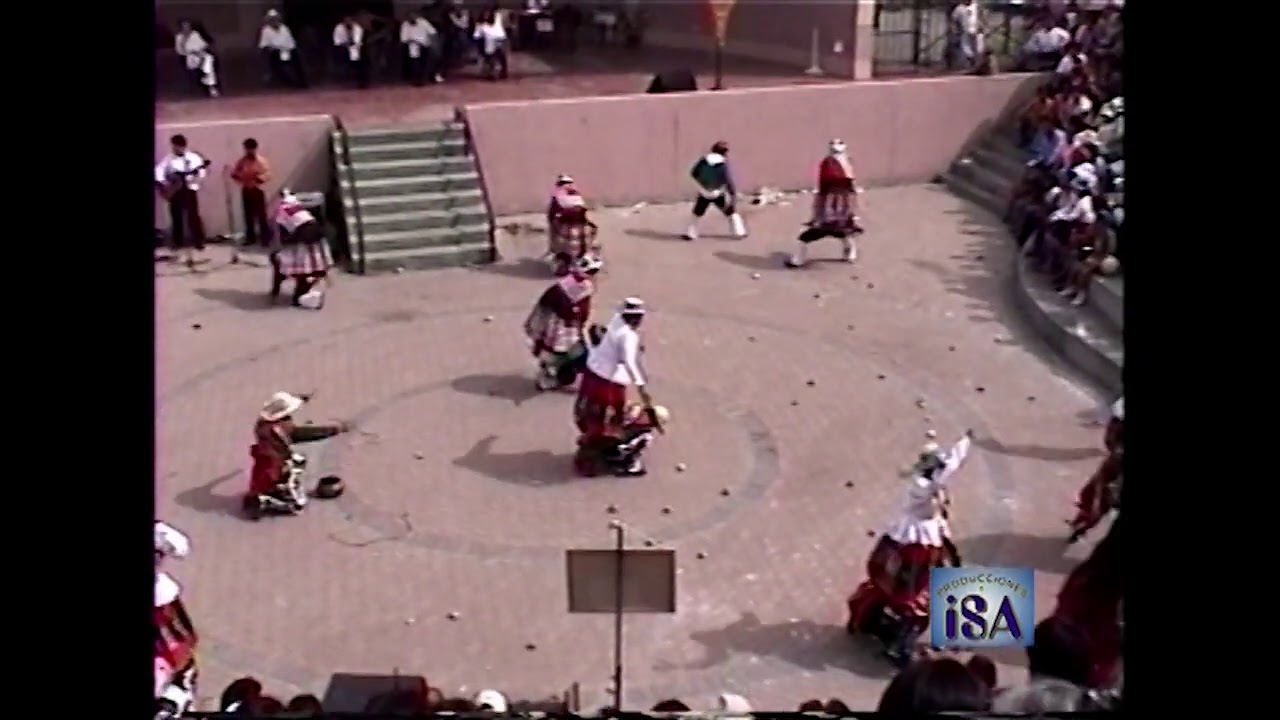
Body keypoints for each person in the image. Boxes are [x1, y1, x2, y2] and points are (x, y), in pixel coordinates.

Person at [847, 431, 974, 664]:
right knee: (912, 596)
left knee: (947, 577)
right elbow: (944, 474)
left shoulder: (930, 484)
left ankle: (945, 632)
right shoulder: (921, 487)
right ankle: (900, 645)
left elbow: (949, 467)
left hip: (930, 540)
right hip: (916, 546)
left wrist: (963, 442)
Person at [575, 298, 657, 474]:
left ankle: (595, 438)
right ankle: (613, 451)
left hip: (594, 374)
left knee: (593, 412)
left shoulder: (616, 322)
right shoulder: (628, 335)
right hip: (607, 382)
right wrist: (640, 384)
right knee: (611, 417)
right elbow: (629, 361)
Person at [248, 391, 349, 516]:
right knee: (296, 498)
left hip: (265, 458)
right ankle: (271, 500)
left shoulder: (263, 423)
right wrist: (332, 430)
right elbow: (301, 434)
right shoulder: (279, 429)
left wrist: (301, 399)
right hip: (275, 462)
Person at [524, 255, 603, 389]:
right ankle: (558, 377)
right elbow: (581, 311)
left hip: (552, 325)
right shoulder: (584, 286)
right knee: (576, 353)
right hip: (564, 329)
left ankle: (552, 374)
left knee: (555, 352)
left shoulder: (566, 281)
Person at [786, 139, 863, 268]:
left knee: (811, 235)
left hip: (830, 206)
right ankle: (850, 252)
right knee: (841, 229)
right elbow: (850, 186)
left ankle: (798, 260)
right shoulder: (844, 164)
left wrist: (817, 211)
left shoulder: (828, 163)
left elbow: (826, 186)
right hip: (838, 206)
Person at [273, 190, 335, 308]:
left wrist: (280, 246)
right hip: (315, 240)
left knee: (300, 268)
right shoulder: (298, 207)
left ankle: (301, 297)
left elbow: (283, 232)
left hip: (302, 241)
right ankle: (305, 292)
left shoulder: (282, 210)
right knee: (310, 268)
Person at [155, 134, 209, 269]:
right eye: (173, 145)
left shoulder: (193, 158)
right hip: (175, 192)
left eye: (176, 146)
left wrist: (192, 178)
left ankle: (198, 241)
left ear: (182, 146)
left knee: (193, 217)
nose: (174, 148)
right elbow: (158, 171)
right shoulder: (169, 158)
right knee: (176, 216)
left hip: (190, 190)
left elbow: (202, 173)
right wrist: (165, 183)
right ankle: (178, 242)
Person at [683, 141, 747, 241]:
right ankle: (739, 232)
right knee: (730, 212)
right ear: (724, 152)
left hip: (704, 192)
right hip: (717, 193)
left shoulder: (703, 160)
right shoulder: (722, 164)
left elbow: (694, 173)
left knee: (697, 213)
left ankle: (691, 234)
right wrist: (732, 195)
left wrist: (702, 185)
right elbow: (727, 180)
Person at [545, 175, 597, 270]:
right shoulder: (575, 192)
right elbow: (583, 209)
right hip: (580, 224)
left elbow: (552, 213)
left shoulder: (557, 194)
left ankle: (554, 251)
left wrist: (552, 221)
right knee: (590, 235)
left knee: (556, 236)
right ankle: (586, 256)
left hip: (566, 224)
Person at [230, 138, 272, 249]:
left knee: (261, 216)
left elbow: (267, 174)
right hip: (246, 189)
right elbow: (235, 173)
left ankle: (265, 239)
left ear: (255, 149)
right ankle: (250, 238)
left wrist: (259, 178)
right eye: (247, 149)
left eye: (251, 149)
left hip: (257, 190)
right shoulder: (242, 161)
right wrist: (238, 177)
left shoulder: (261, 161)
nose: (249, 151)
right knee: (248, 215)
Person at [259, 10, 306, 88]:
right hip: (276, 52)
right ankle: (289, 83)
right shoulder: (266, 30)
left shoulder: (284, 28)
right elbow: (264, 44)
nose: (274, 21)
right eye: (272, 19)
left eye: (275, 19)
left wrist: (291, 50)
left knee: (297, 62)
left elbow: (291, 41)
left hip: (288, 50)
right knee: (275, 66)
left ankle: (302, 83)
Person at [175, 20, 220, 97]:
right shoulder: (179, 37)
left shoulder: (195, 34)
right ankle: (207, 80)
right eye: (184, 26)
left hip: (200, 55)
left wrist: (200, 51)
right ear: (181, 28)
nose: (187, 28)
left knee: (209, 59)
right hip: (188, 57)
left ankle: (211, 86)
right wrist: (186, 45)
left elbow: (204, 45)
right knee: (207, 62)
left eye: (188, 26)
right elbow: (180, 51)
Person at [402, 10, 442, 85]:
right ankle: (417, 80)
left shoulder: (423, 22)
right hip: (413, 47)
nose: (411, 19)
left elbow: (433, 32)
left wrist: (433, 44)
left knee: (426, 63)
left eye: (413, 17)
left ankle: (425, 78)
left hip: (425, 45)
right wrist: (414, 41)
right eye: (409, 18)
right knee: (415, 64)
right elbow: (404, 39)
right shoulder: (405, 25)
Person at [333, 16, 369, 88]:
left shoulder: (357, 28)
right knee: (344, 61)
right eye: (346, 20)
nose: (348, 22)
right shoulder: (339, 28)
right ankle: (343, 81)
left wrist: (351, 45)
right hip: (342, 47)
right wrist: (344, 45)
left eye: (349, 20)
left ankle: (362, 82)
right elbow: (336, 40)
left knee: (360, 65)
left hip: (356, 48)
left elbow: (357, 40)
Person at [474, 10, 509, 80]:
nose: (486, 16)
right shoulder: (480, 25)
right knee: (490, 52)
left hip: (500, 40)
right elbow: (476, 36)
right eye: (484, 15)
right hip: (488, 42)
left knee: (501, 53)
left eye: (488, 14)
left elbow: (498, 13)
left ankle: (503, 71)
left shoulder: (497, 19)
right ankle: (491, 71)